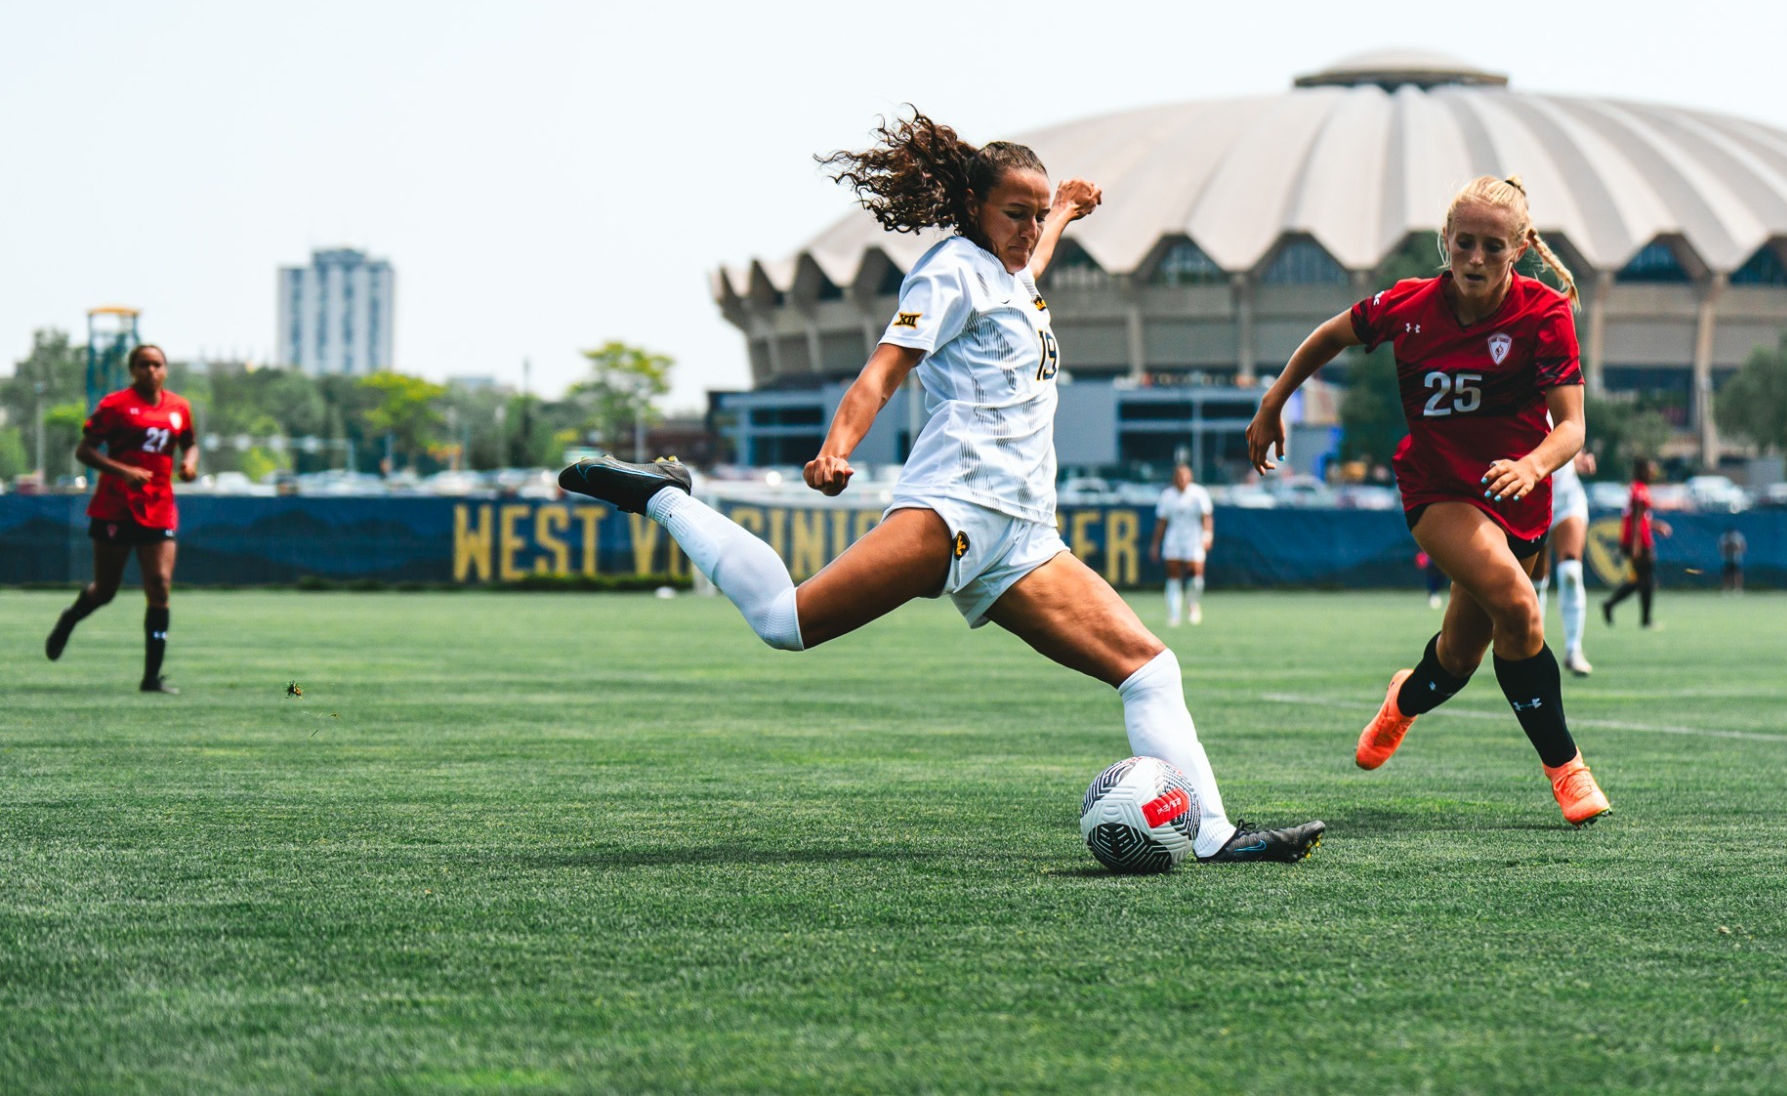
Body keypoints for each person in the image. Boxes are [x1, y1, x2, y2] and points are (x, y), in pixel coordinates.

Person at [560, 111, 1324, 863]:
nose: (1027, 230)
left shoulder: (1013, 273)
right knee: (784, 621)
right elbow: (885, 368)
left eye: (1034, 214)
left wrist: (1062, 212)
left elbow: (1029, 265)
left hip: (1024, 532)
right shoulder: (951, 269)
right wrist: (836, 447)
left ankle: (1216, 834)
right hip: (957, 501)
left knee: (1150, 667)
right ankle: (666, 495)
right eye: (1014, 213)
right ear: (974, 211)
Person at [1248, 174, 1611, 825]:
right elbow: (1332, 334)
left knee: (1458, 658)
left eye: (1492, 247)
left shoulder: (1544, 311)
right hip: (1439, 489)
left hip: (1518, 495)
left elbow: (1574, 427)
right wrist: (1274, 402)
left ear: (1522, 248)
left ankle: (1404, 699)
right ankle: (1568, 769)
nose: (1475, 259)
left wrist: (1532, 465)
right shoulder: (1410, 305)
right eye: (1464, 243)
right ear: (1444, 241)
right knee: (1521, 608)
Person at [44, 344, 199, 693]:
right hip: (116, 505)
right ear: (132, 370)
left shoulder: (179, 407)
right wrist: (123, 471)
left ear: (166, 369)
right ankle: (69, 620)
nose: (151, 370)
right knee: (106, 590)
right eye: (143, 364)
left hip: (159, 505)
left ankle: (151, 678)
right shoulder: (115, 405)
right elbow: (84, 451)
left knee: (159, 584)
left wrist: (189, 463)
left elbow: (190, 442)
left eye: (157, 364)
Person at [1541, 451, 1596, 675]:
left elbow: (1569, 432)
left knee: (1571, 572)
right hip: (1532, 497)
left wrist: (1579, 458)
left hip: (1567, 499)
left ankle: (1574, 650)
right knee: (1534, 582)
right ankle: (1533, 649)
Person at [1602, 458, 1672, 628]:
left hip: (1637, 540)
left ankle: (1612, 605)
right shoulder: (1640, 490)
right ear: (1642, 471)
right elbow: (1635, 520)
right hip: (1638, 542)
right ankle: (1644, 619)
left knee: (1643, 581)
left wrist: (1655, 526)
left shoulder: (1638, 488)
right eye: (1651, 469)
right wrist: (1636, 547)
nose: (1653, 472)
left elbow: (1640, 519)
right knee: (1645, 581)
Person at [1149, 462, 1214, 627]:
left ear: (1190, 477)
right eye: (1178, 477)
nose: (1181, 480)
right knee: (1173, 576)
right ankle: (1174, 614)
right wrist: (1155, 544)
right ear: (1174, 478)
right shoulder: (1167, 496)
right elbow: (1161, 522)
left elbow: (1206, 517)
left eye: (1184, 476)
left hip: (1193, 539)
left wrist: (1207, 535)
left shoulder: (1199, 493)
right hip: (1173, 539)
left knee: (1195, 576)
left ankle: (1192, 604)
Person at [1719, 524, 1747, 594]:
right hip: (1727, 559)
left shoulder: (1738, 536)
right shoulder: (1724, 537)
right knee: (1726, 574)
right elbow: (1721, 548)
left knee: (1737, 573)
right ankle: (1726, 589)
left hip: (1736, 559)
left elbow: (1742, 547)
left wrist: (1736, 549)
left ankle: (1738, 589)